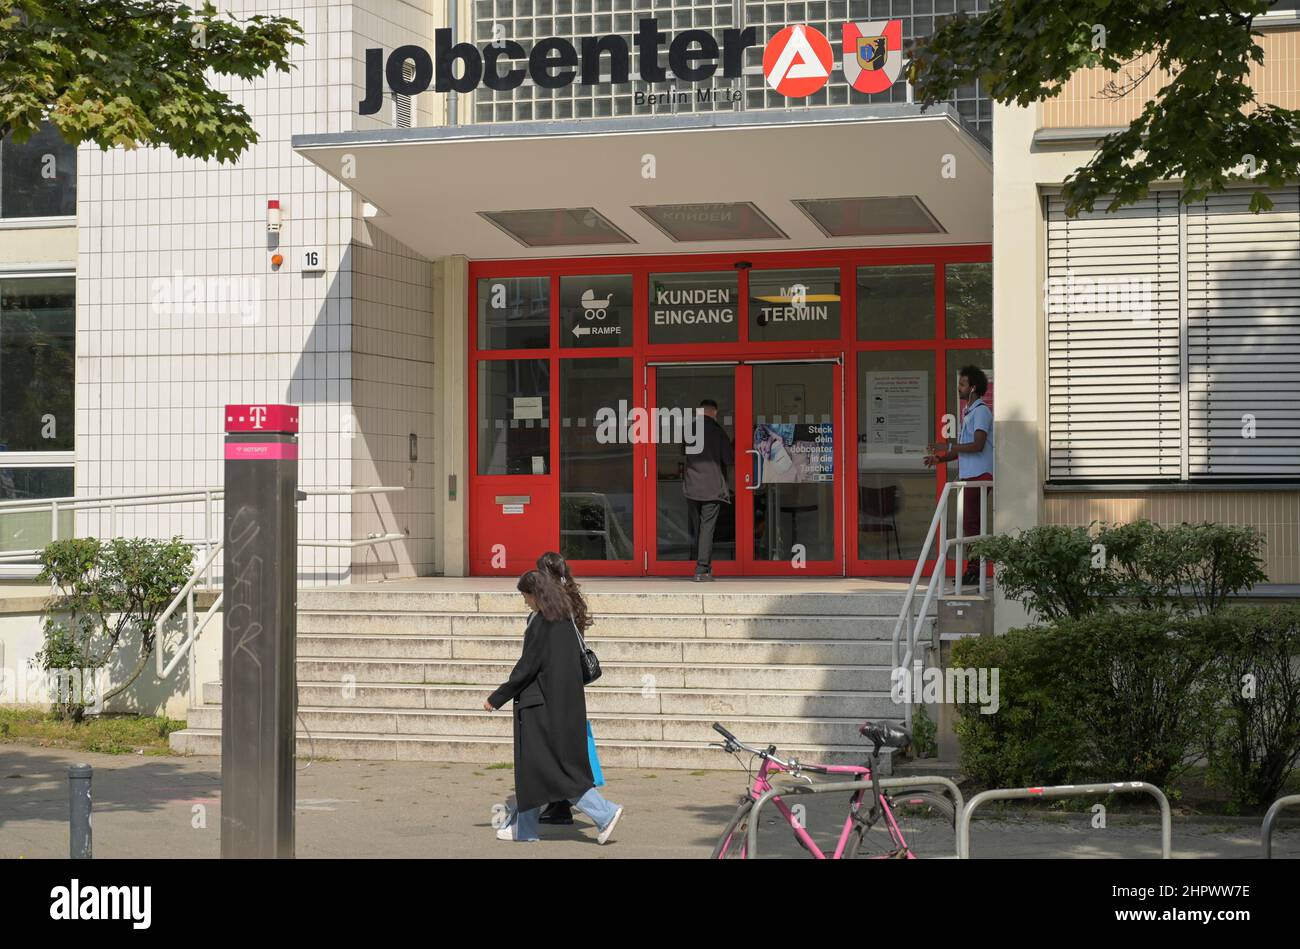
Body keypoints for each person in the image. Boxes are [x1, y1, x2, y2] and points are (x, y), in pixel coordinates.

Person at [484, 569, 624, 844]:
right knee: (539, 769)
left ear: (535, 594)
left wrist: (497, 697)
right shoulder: (564, 619)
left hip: (542, 708)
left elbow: (527, 668)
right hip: (565, 707)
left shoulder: (542, 623)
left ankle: (604, 813)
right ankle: (524, 828)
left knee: (553, 772)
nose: (525, 602)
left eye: (525, 596)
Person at [535, 551, 604, 826]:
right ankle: (558, 803)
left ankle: (565, 803)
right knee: (563, 741)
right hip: (572, 679)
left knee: (556, 741)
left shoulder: (554, 604)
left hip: (557, 680)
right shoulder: (573, 598)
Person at [925, 365, 993, 586]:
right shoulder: (968, 412)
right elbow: (964, 449)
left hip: (980, 475)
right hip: (971, 475)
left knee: (972, 524)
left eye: (963, 384)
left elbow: (977, 445)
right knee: (970, 524)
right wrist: (941, 458)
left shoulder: (981, 411)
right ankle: (974, 568)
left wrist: (947, 444)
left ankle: (974, 570)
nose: (959, 387)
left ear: (973, 388)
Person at [683, 398, 732, 581]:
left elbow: (684, 452)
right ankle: (702, 569)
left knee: (697, 529)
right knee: (707, 528)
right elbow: (728, 459)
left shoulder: (689, 429)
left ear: (699, 412)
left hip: (691, 486)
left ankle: (700, 564)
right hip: (711, 487)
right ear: (715, 412)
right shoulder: (717, 431)